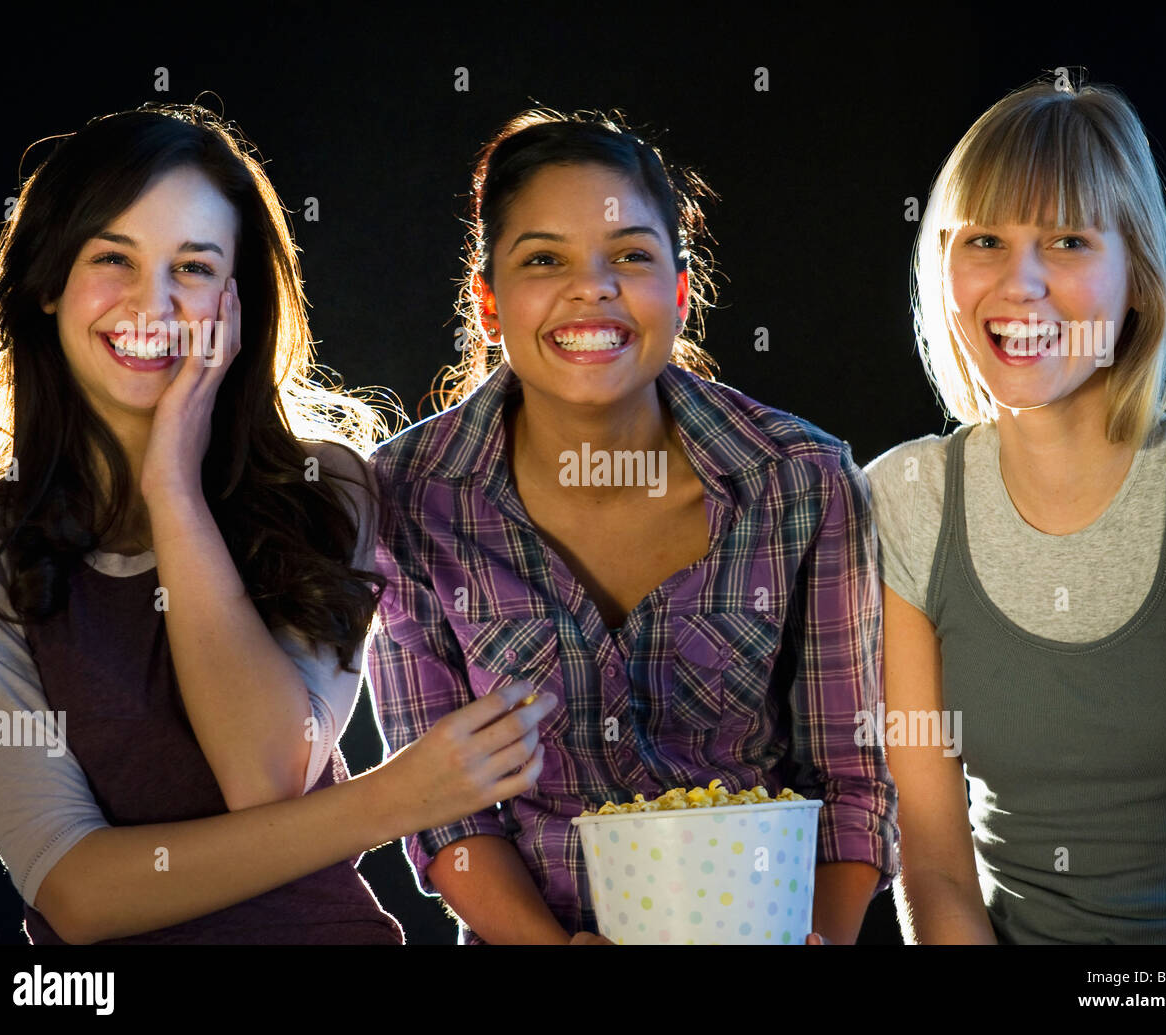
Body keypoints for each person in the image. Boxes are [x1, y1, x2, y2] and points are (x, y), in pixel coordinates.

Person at [0, 104, 554, 944]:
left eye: (193, 266)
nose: (151, 302)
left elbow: (266, 774)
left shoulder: (325, 487)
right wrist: (391, 800)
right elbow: (77, 891)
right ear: (49, 282)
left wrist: (174, 488)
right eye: (112, 258)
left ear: (239, 299)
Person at [368, 109, 899, 945]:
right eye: (544, 259)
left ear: (681, 293)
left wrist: (814, 944)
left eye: (630, 257)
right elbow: (444, 820)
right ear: (489, 299)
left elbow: (852, 786)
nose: (593, 288)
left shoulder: (804, 481)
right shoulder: (404, 496)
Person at [864, 78, 1166, 944]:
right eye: (985, 240)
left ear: (1139, 275)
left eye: (1069, 240)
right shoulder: (904, 500)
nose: (1022, 282)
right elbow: (931, 864)